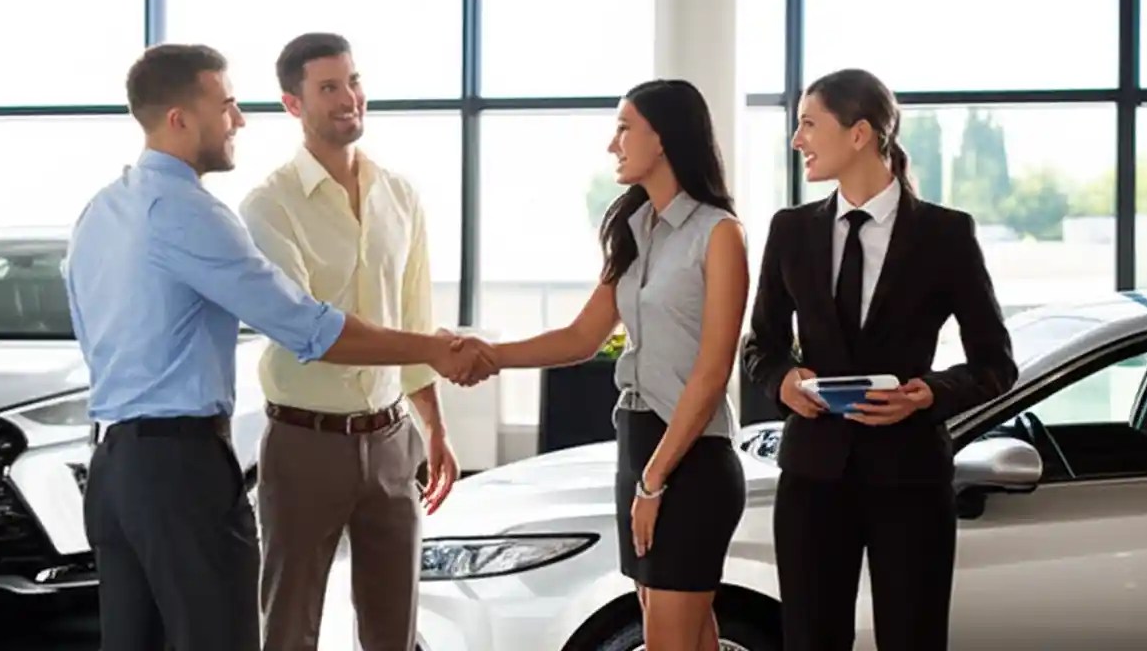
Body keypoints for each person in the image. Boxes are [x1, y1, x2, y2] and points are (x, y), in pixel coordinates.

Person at [63, 43, 484, 651]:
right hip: (181, 470)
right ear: (181, 118)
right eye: (227, 105)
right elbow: (307, 327)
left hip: (113, 469)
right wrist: (436, 348)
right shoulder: (193, 214)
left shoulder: (101, 210)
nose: (238, 120)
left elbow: (87, 328)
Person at [456, 79, 749, 650]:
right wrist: (490, 356)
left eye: (624, 128)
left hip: (689, 457)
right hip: (639, 440)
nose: (612, 144)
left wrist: (655, 479)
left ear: (662, 139)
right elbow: (580, 337)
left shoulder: (719, 234)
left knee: (669, 639)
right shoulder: (635, 234)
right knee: (685, 635)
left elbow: (712, 373)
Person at [743, 68, 1019, 651]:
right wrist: (784, 382)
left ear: (860, 133)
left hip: (911, 478)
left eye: (809, 124)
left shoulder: (945, 235)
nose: (798, 141)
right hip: (813, 477)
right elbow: (760, 346)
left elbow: (995, 363)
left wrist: (930, 393)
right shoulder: (791, 231)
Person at [237, 32, 466, 651]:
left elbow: (415, 312)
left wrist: (434, 425)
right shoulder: (269, 206)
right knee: (290, 628)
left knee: (396, 631)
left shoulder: (400, 194)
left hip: (392, 439)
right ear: (293, 104)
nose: (349, 98)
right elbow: (312, 331)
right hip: (304, 442)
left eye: (354, 81)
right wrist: (434, 348)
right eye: (329, 87)